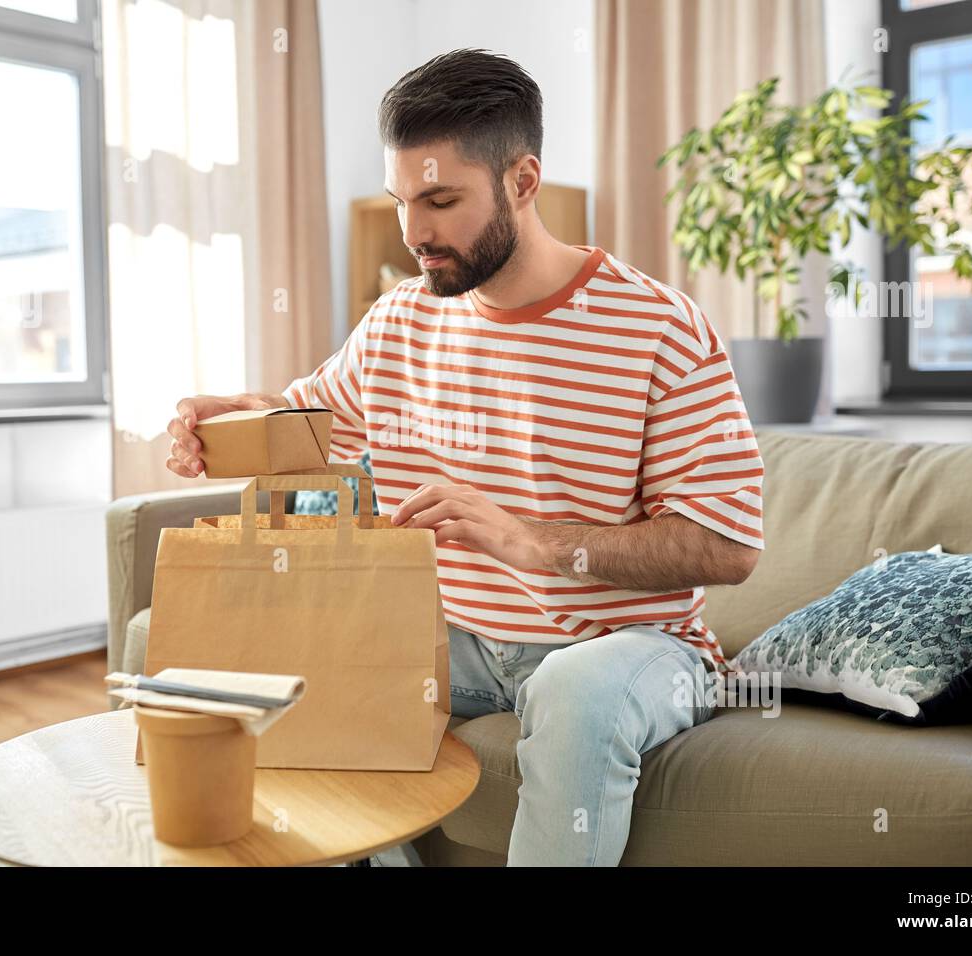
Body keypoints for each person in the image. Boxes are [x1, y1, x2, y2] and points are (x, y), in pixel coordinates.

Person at [165, 48, 764, 866]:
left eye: (441, 200)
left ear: (523, 181)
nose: (415, 232)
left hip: (632, 648)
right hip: (460, 641)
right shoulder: (399, 320)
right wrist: (234, 414)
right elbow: (313, 424)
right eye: (403, 201)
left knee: (573, 689)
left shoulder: (659, 329)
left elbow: (727, 546)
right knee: (305, 664)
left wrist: (530, 540)